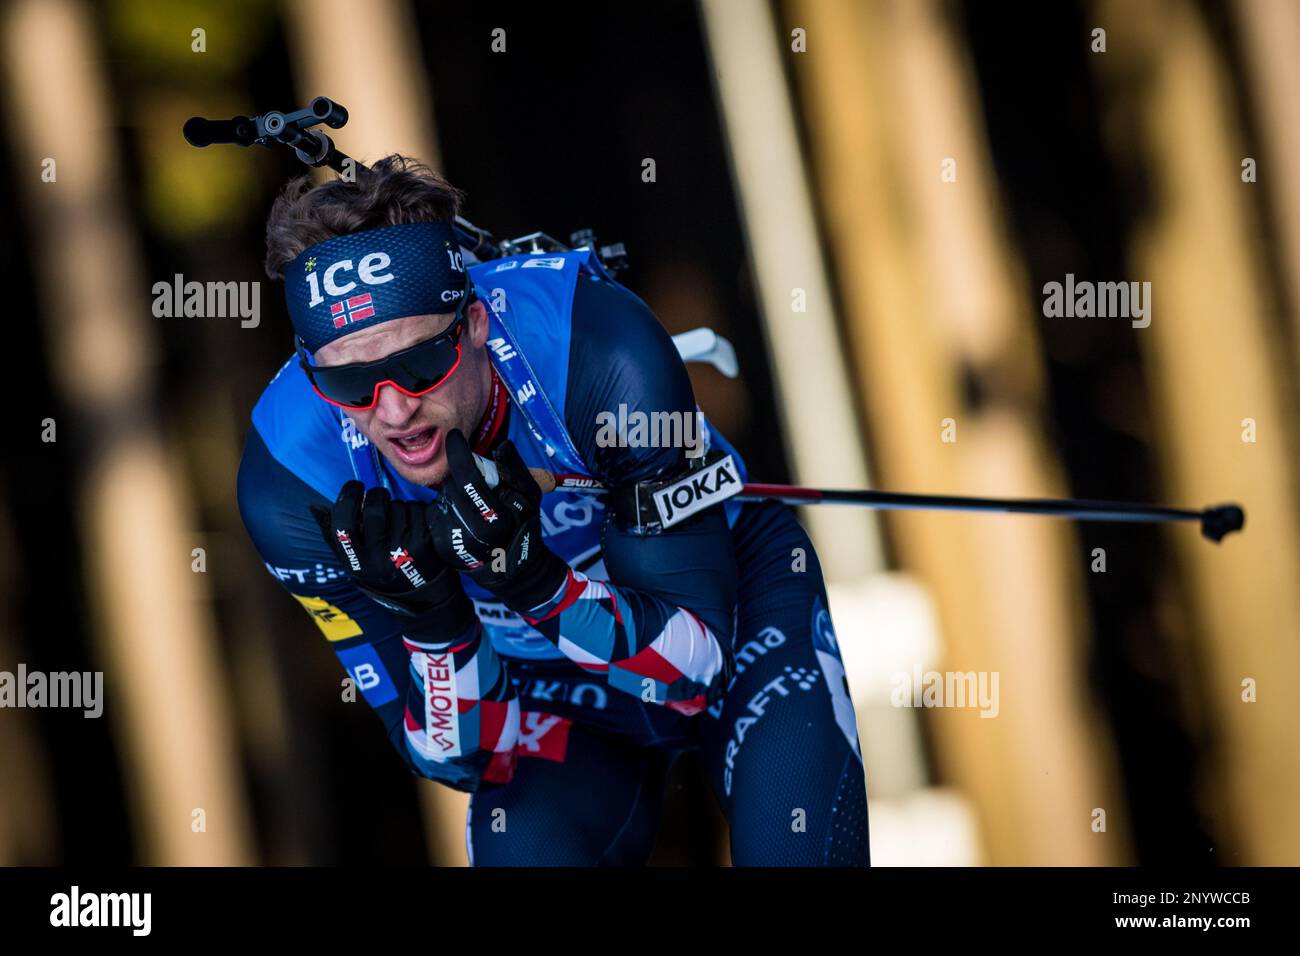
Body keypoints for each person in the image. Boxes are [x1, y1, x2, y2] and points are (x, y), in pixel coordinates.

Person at [237, 154, 870, 865]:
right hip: (547, 688)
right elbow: (458, 761)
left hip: (728, 607)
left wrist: (533, 581)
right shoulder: (291, 478)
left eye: (418, 365)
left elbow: (695, 673)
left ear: (474, 323)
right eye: (348, 380)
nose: (393, 410)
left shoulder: (595, 348)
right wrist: (434, 624)